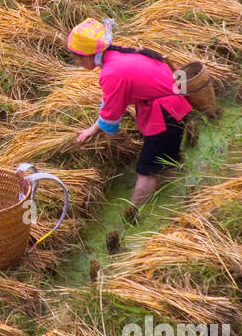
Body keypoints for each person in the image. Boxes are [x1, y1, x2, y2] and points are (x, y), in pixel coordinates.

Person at [68, 17, 191, 218]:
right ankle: (178, 200)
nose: (77, 62)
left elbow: (112, 113)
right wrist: (95, 126)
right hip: (177, 102)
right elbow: (112, 100)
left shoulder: (111, 71)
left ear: (88, 56)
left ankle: (132, 215)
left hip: (166, 112)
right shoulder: (117, 53)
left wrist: (98, 127)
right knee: (167, 161)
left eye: (77, 58)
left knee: (146, 169)